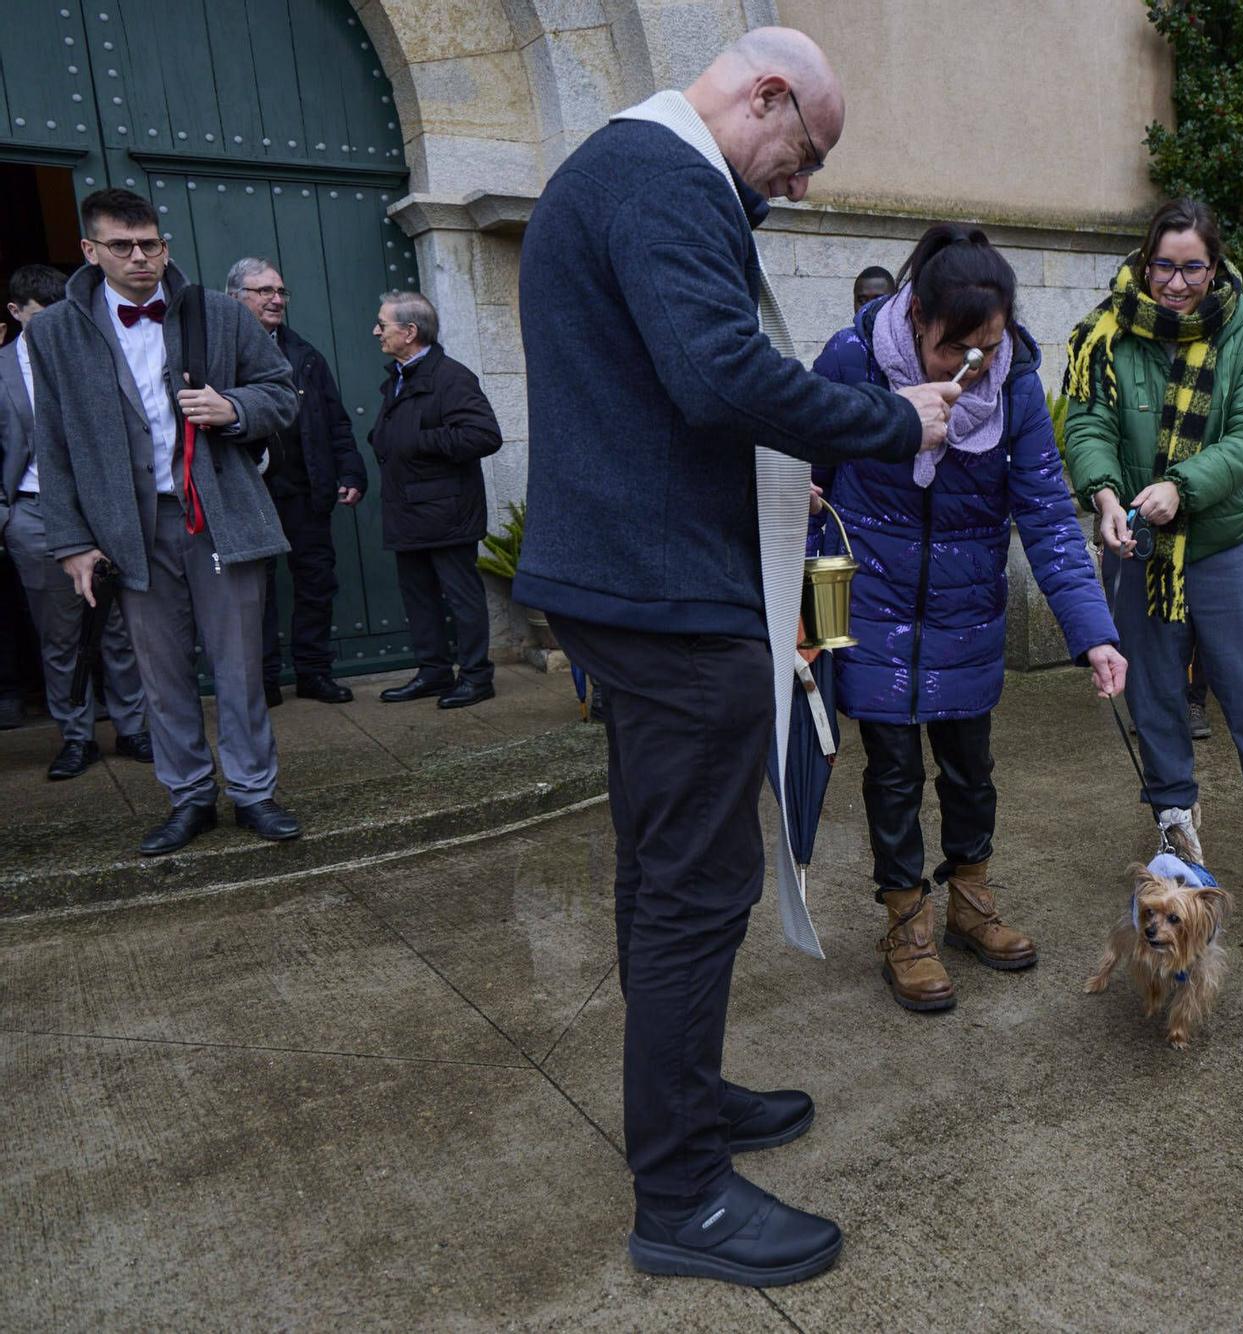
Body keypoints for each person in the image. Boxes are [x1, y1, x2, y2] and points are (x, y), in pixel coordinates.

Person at [515, 28, 959, 1288]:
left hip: (641, 579)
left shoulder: (628, 173)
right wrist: (890, 417)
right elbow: (716, 376)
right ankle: (681, 1195)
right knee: (693, 888)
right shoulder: (660, 177)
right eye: (804, 152)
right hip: (664, 596)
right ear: (764, 94)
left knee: (666, 872)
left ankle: (687, 1101)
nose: (802, 183)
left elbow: (688, 382)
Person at [811, 224, 1124, 1013]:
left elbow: (1050, 515)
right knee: (890, 773)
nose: (973, 365)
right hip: (867, 603)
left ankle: (971, 901)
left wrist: (1094, 633)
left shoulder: (1011, 382)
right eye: (958, 347)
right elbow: (802, 493)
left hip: (965, 610)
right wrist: (814, 629)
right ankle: (905, 921)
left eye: (988, 345)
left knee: (970, 771)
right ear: (915, 316)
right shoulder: (851, 360)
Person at [1062, 197, 1243, 903]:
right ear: (1146, 262)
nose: (1175, 283)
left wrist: (1181, 486)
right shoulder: (1104, 336)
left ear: (1215, 265)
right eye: (1163, 266)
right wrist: (1107, 496)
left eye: (1192, 268)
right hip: (1137, 546)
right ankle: (1175, 828)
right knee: (1153, 696)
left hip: (1224, 542)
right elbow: (1088, 424)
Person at [28, 188, 299, 853]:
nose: (141, 256)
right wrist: (72, 542)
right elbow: (54, 441)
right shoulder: (54, 332)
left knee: (239, 666)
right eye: (122, 246)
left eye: (151, 243)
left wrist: (232, 409)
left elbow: (281, 394)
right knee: (161, 672)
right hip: (129, 526)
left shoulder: (217, 314)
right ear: (90, 251)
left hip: (217, 515)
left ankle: (255, 793)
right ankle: (190, 798)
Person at [2, 263, 152, 773]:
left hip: (104, 508)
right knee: (61, 634)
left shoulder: (89, 353)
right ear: (16, 313)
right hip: (35, 513)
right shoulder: (2, 371)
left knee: (117, 625)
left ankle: (132, 728)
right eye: (40, 317)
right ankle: (76, 735)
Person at [227, 259, 366, 707]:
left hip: (307, 492)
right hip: (250, 494)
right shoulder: (220, 353)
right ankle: (264, 680)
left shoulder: (304, 354)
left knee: (315, 583)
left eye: (281, 291)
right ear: (236, 297)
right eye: (264, 290)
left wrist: (350, 471)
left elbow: (335, 421)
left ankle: (314, 673)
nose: (276, 299)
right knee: (255, 591)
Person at [368, 290, 501, 710]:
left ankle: (477, 677)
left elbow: (484, 436)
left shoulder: (451, 377)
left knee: (461, 597)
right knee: (419, 596)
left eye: (383, 324)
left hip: (446, 512)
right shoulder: (399, 377)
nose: (376, 331)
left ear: (409, 332)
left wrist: (417, 441)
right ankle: (433, 672)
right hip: (407, 510)